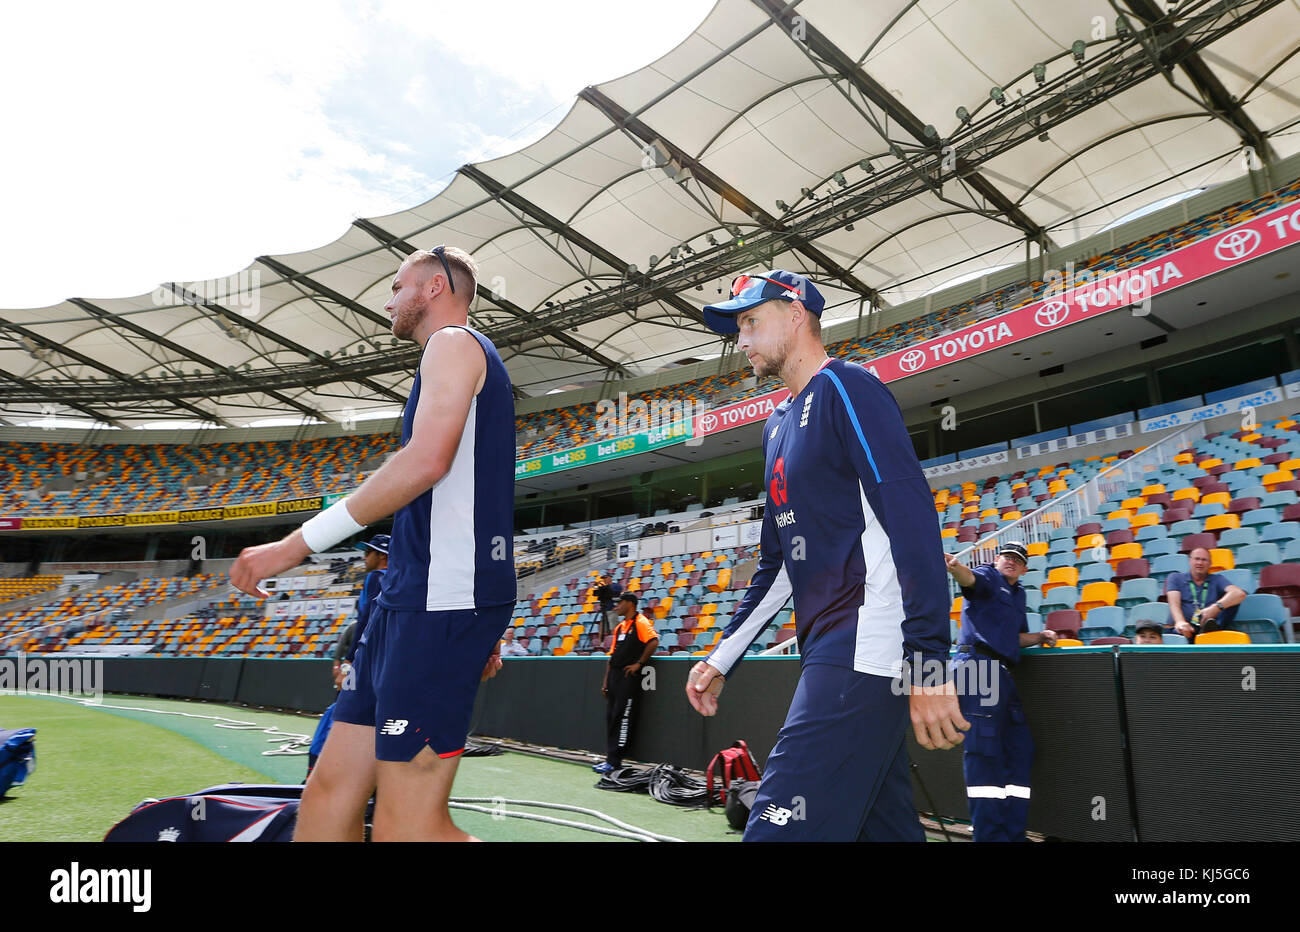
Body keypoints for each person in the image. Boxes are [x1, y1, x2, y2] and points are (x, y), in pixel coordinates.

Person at [229, 244, 515, 842]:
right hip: (404, 599)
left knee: (406, 826)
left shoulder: (453, 343)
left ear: (435, 287)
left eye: (397, 285)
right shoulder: (443, 361)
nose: (388, 300)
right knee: (329, 790)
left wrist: (294, 546)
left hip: (441, 599)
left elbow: (425, 461)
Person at [684, 269, 968, 842]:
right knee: (881, 831)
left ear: (796, 315)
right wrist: (723, 655)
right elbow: (778, 565)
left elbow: (911, 516)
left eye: (749, 322)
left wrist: (930, 660)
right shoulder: (775, 426)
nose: (741, 341)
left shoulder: (848, 387)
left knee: (777, 829)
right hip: (827, 649)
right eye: (737, 326)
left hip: (865, 642)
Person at [944, 542, 1057, 842]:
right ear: (996, 560)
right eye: (1006, 556)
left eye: (1017, 559)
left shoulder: (1019, 595)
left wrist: (1041, 636)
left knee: (1020, 748)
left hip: (1002, 672)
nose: (1011, 561)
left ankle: (1013, 834)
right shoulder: (988, 576)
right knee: (984, 752)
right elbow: (971, 580)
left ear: (1024, 569)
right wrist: (955, 567)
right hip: (977, 667)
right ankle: (990, 836)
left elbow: (1016, 638)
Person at [596, 593, 658, 775]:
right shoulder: (620, 627)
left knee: (622, 718)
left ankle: (615, 761)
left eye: (620, 603)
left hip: (627, 678)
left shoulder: (641, 622)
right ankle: (609, 759)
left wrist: (639, 664)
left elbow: (653, 641)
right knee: (611, 718)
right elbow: (612, 655)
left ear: (630, 604)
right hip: (614, 676)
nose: (617, 607)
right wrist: (606, 681)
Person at [331, 534, 390, 689]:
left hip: (370, 653)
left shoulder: (375, 577)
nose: (364, 557)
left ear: (382, 555)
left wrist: (349, 661)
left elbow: (366, 619)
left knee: (346, 700)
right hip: (391, 653)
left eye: (368, 552)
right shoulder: (398, 578)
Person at [1165, 547, 1246, 640]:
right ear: (1190, 561)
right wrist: (1180, 622)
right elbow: (1174, 604)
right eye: (1197, 559)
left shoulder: (1217, 579)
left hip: (1207, 627)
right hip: (1183, 630)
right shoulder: (1176, 577)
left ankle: (1212, 629)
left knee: (1232, 601)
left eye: (1204, 560)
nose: (1200, 563)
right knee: (1178, 632)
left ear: (1210, 564)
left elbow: (1239, 593)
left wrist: (1216, 608)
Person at [592, 574, 622, 641]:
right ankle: (601, 644)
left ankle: (615, 643)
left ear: (610, 578)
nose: (605, 580)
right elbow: (595, 594)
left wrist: (618, 606)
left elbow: (618, 594)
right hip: (605, 611)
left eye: (606, 578)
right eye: (604, 578)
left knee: (613, 628)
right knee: (601, 629)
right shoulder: (604, 588)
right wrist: (596, 586)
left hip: (612, 610)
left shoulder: (616, 586)